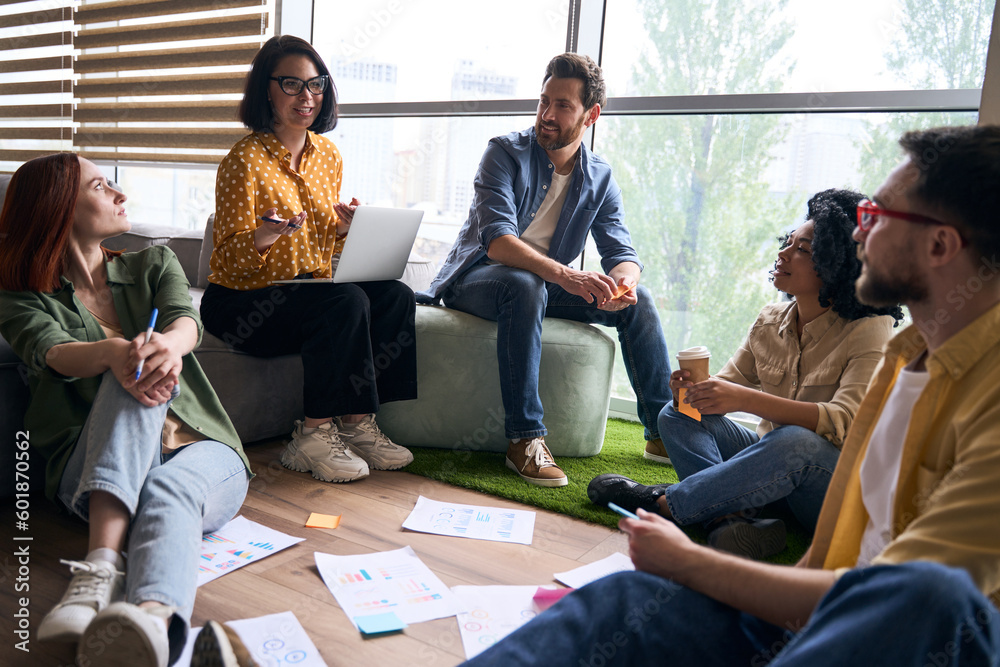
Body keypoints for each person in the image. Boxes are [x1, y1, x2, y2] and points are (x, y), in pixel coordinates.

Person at [459, 125, 1000, 666]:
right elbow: (823, 563)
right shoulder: (906, 357)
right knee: (621, 598)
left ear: (940, 244)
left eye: (876, 218)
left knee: (932, 593)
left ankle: (678, 504)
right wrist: (700, 395)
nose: (858, 237)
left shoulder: (972, 384)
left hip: (891, 639)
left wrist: (692, 565)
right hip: (817, 610)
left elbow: (907, 606)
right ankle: (725, 520)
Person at [0, 154, 253, 666]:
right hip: (91, 466)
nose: (120, 195)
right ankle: (122, 595)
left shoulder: (152, 263)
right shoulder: (18, 295)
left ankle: (141, 613)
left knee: (168, 481)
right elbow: (48, 350)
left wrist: (167, 345)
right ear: (58, 208)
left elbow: (187, 320)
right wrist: (118, 354)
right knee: (128, 368)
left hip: (202, 451)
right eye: (101, 186)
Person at [589, 189, 902, 559]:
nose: (783, 253)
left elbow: (845, 420)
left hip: (833, 491)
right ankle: (730, 522)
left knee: (795, 441)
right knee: (678, 414)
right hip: (772, 476)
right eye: (788, 242)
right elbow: (722, 390)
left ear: (836, 263)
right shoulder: (770, 320)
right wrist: (690, 392)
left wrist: (746, 400)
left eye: (802, 249)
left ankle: (666, 503)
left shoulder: (871, 327)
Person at [417, 53, 673, 487]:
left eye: (563, 106)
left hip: (541, 283)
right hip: (479, 279)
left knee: (639, 302)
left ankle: (664, 432)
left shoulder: (600, 177)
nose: (547, 115)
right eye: (543, 102)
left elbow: (620, 248)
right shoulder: (503, 153)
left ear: (591, 114)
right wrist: (569, 276)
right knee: (524, 286)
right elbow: (498, 243)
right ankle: (524, 440)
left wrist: (625, 282)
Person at [200, 35, 417, 484]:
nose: (307, 97)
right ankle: (312, 435)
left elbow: (321, 249)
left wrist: (345, 232)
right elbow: (226, 261)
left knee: (394, 294)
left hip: (301, 290)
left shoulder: (327, 155)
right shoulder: (242, 161)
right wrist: (262, 236)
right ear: (266, 89)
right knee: (344, 302)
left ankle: (358, 424)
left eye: (315, 85)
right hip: (241, 301)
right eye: (292, 85)